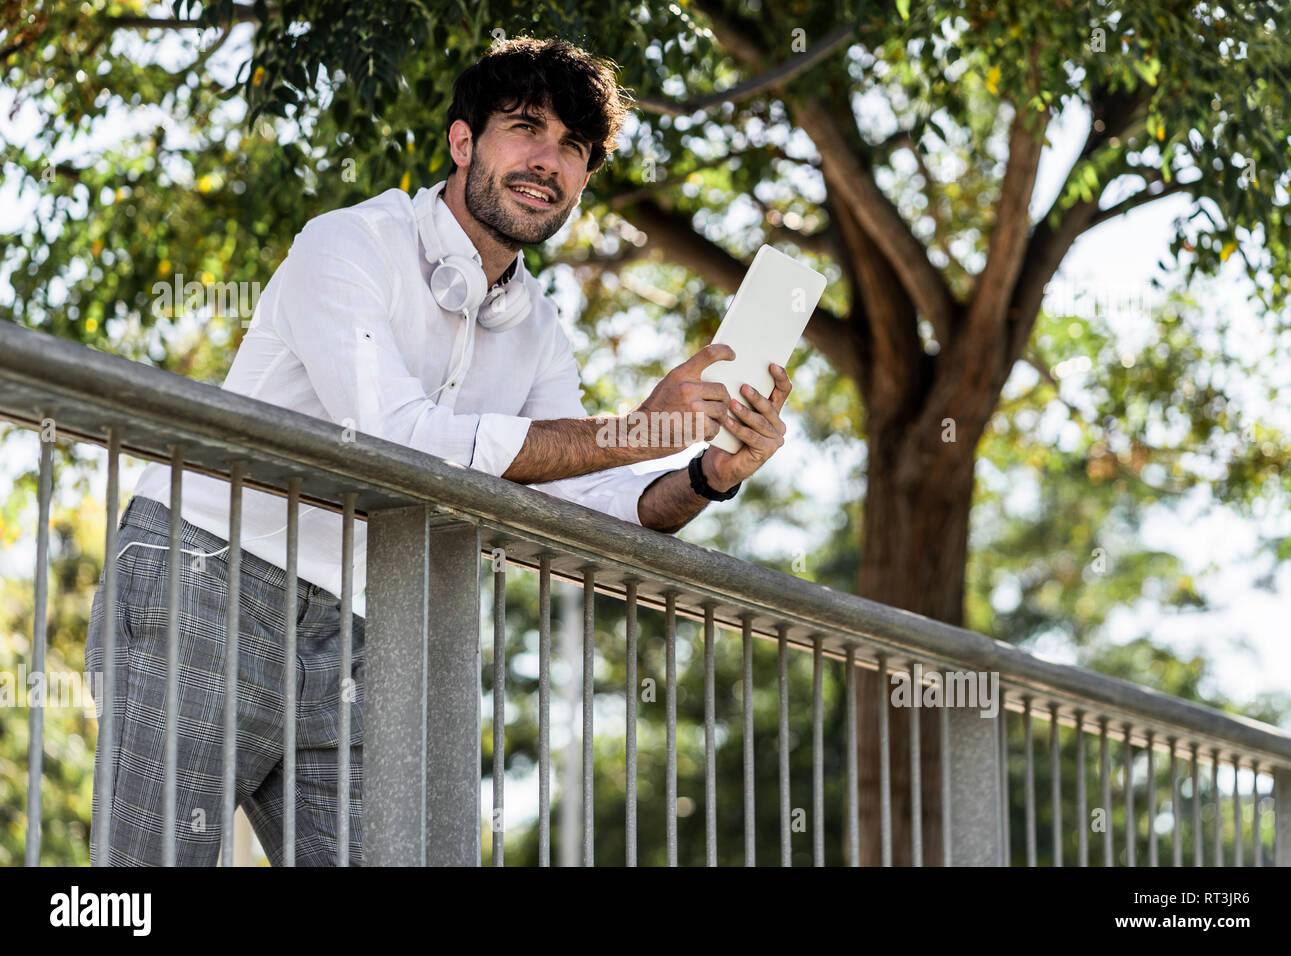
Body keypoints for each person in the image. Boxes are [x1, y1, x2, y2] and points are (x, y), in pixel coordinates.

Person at [85, 35, 791, 866]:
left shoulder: (539, 329)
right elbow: (390, 439)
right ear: (462, 144)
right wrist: (633, 431)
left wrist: (707, 474)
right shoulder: (345, 244)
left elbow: (583, 512)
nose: (549, 160)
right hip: (206, 576)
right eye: (526, 127)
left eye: (574, 147)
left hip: (367, 627)